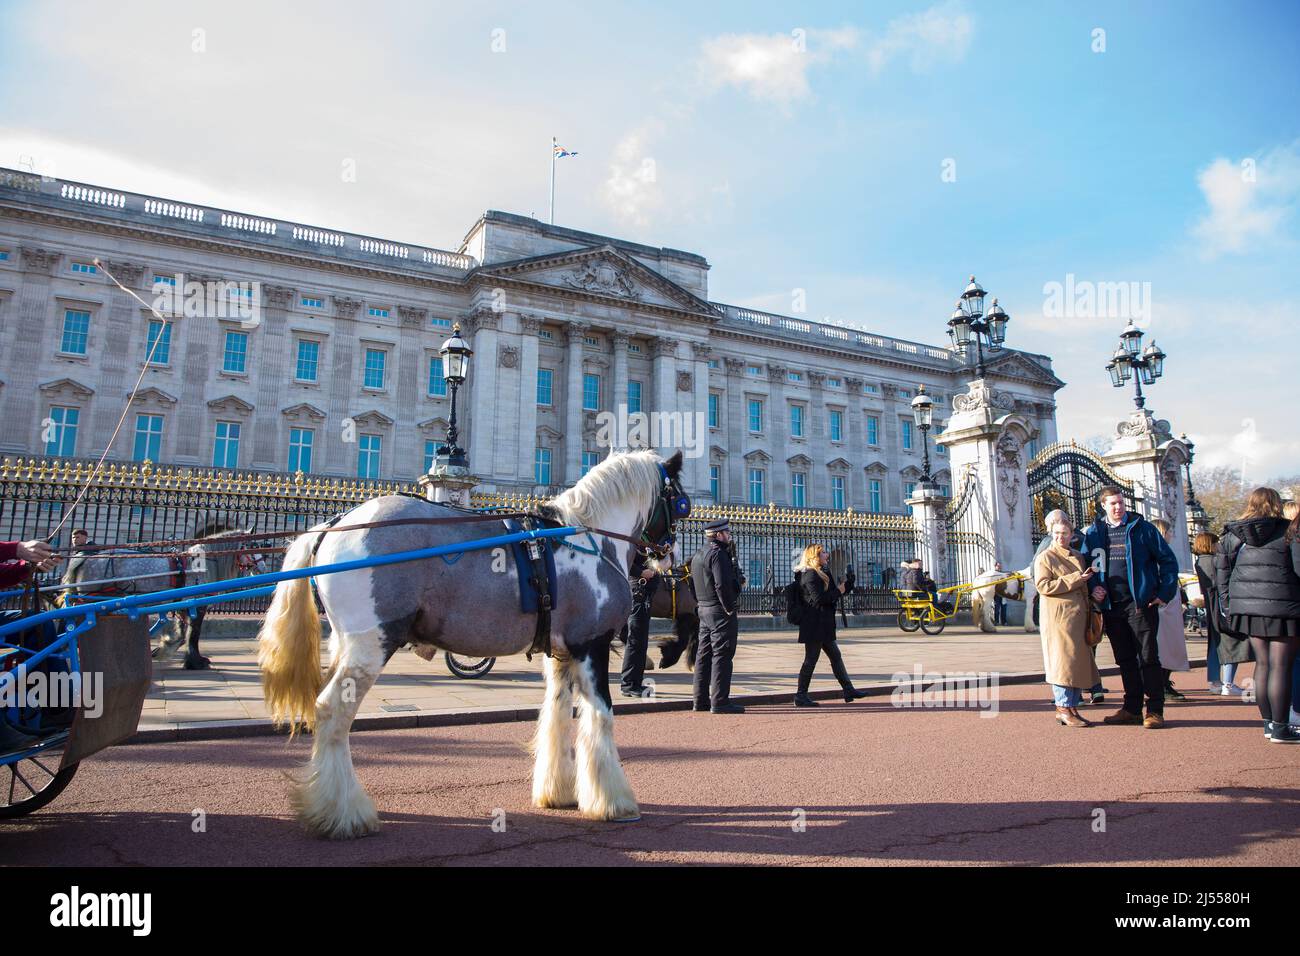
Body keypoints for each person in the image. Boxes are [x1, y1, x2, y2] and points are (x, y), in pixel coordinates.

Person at [1082, 487, 1180, 729]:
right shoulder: (1095, 532)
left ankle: (1155, 710)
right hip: (1112, 606)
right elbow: (1087, 565)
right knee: (1125, 659)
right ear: (1103, 505)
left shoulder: (1142, 529)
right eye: (1113, 503)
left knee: (1148, 657)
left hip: (1140, 604)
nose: (1118, 507)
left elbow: (1168, 560)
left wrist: (1163, 593)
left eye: (1121, 503)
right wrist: (1094, 587)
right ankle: (1132, 708)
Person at [1214, 487, 1300, 743]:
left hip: (1247, 608)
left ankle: (1269, 724)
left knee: (1262, 665)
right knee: (1281, 667)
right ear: (1276, 504)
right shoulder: (1289, 531)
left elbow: (1222, 576)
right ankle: (1281, 726)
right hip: (1285, 607)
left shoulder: (1232, 535)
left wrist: (1228, 606)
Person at [1034, 510, 1106, 727]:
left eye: (1064, 533)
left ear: (1072, 535)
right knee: (1063, 663)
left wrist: (1092, 595)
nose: (1060, 538)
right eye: (1056, 533)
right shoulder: (1046, 557)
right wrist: (1076, 578)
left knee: (1077, 663)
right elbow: (1043, 586)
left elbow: (1083, 586)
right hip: (1059, 619)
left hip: (1079, 616)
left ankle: (1072, 707)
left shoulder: (1077, 555)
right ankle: (1063, 707)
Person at [792, 544, 868, 707]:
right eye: (824, 553)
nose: (827, 555)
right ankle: (800, 696)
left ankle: (848, 689)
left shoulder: (823, 572)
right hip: (814, 624)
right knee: (811, 660)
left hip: (823, 624)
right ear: (815, 557)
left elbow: (834, 593)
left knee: (835, 656)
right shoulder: (810, 575)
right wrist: (839, 591)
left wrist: (849, 584)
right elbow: (820, 599)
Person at [690, 519, 744, 714]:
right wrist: (729, 607)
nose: (729, 535)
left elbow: (691, 583)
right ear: (718, 534)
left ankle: (700, 700)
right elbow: (722, 585)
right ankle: (720, 701)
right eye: (726, 532)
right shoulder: (718, 554)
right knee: (722, 654)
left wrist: (700, 603)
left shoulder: (698, 554)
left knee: (703, 655)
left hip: (704, 609)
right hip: (719, 611)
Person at [1193, 531, 1250, 695]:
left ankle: (1215, 681)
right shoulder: (1213, 561)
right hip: (1220, 607)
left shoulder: (1200, 561)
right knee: (1229, 643)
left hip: (1211, 608)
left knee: (1215, 644)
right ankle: (1227, 683)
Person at [1148, 518, 1190, 701]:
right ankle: (1161, 683)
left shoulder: (1166, 551)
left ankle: (1164, 681)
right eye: (1169, 531)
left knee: (1171, 646)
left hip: (1170, 604)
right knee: (1163, 647)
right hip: (1162, 605)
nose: (1172, 534)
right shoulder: (1154, 552)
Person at [618, 549, 658, 698]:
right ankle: (629, 684)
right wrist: (641, 573)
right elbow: (626, 561)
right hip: (637, 592)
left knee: (640, 641)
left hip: (643, 593)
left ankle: (634, 682)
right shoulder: (633, 541)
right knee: (635, 640)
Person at [992, 561, 1009, 626]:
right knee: (997, 608)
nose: (999, 568)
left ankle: (1004, 622)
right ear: (995, 566)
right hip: (997, 594)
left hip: (1003, 594)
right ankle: (996, 621)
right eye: (998, 566)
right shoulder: (994, 574)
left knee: (1004, 608)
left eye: (1000, 567)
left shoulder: (1003, 574)